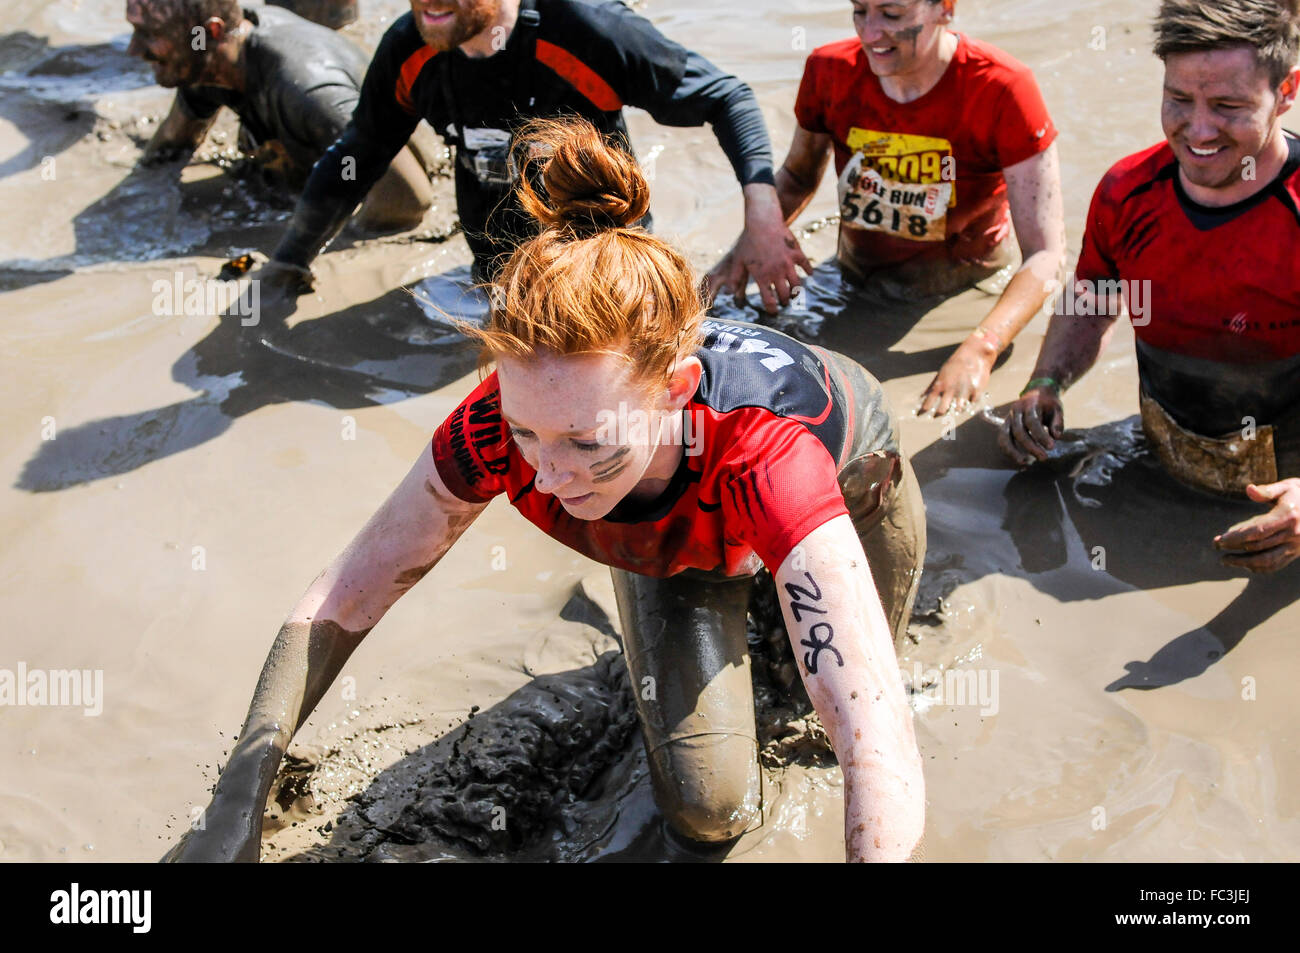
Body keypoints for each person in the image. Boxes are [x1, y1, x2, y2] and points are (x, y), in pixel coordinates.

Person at [162, 119, 927, 863]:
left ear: (676, 391)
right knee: (709, 809)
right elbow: (343, 598)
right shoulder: (497, 425)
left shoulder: (766, 453)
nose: (547, 475)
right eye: (527, 431)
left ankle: (771, 593)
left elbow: (873, 735)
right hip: (677, 539)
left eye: (585, 441)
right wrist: (234, 806)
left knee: (819, 703)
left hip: (857, 490)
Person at [1000, 0, 1300, 575]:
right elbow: (1094, 299)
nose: (1199, 129)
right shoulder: (1128, 193)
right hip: (1166, 461)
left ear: (1285, 92)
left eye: (1229, 107)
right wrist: (1045, 383)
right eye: (1179, 100)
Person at [261, 0, 806, 300]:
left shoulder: (586, 28)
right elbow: (360, 151)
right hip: (496, 268)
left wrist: (762, 211)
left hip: (602, 264)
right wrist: (288, 261)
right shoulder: (412, 45)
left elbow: (725, 96)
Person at [715, 0, 1066, 418]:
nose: (870, 33)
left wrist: (981, 348)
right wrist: (743, 249)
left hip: (964, 287)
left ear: (945, 9)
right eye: (859, 11)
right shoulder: (829, 69)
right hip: (855, 276)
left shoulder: (1003, 88)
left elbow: (1047, 254)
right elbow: (797, 177)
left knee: (921, 422)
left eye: (892, 15)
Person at [126, 0, 432, 232]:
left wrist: (317, 244)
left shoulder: (307, 90)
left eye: (149, 34)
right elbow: (167, 152)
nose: (132, 50)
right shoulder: (207, 60)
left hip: (385, 165)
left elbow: (406, 199)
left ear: (211, 32)